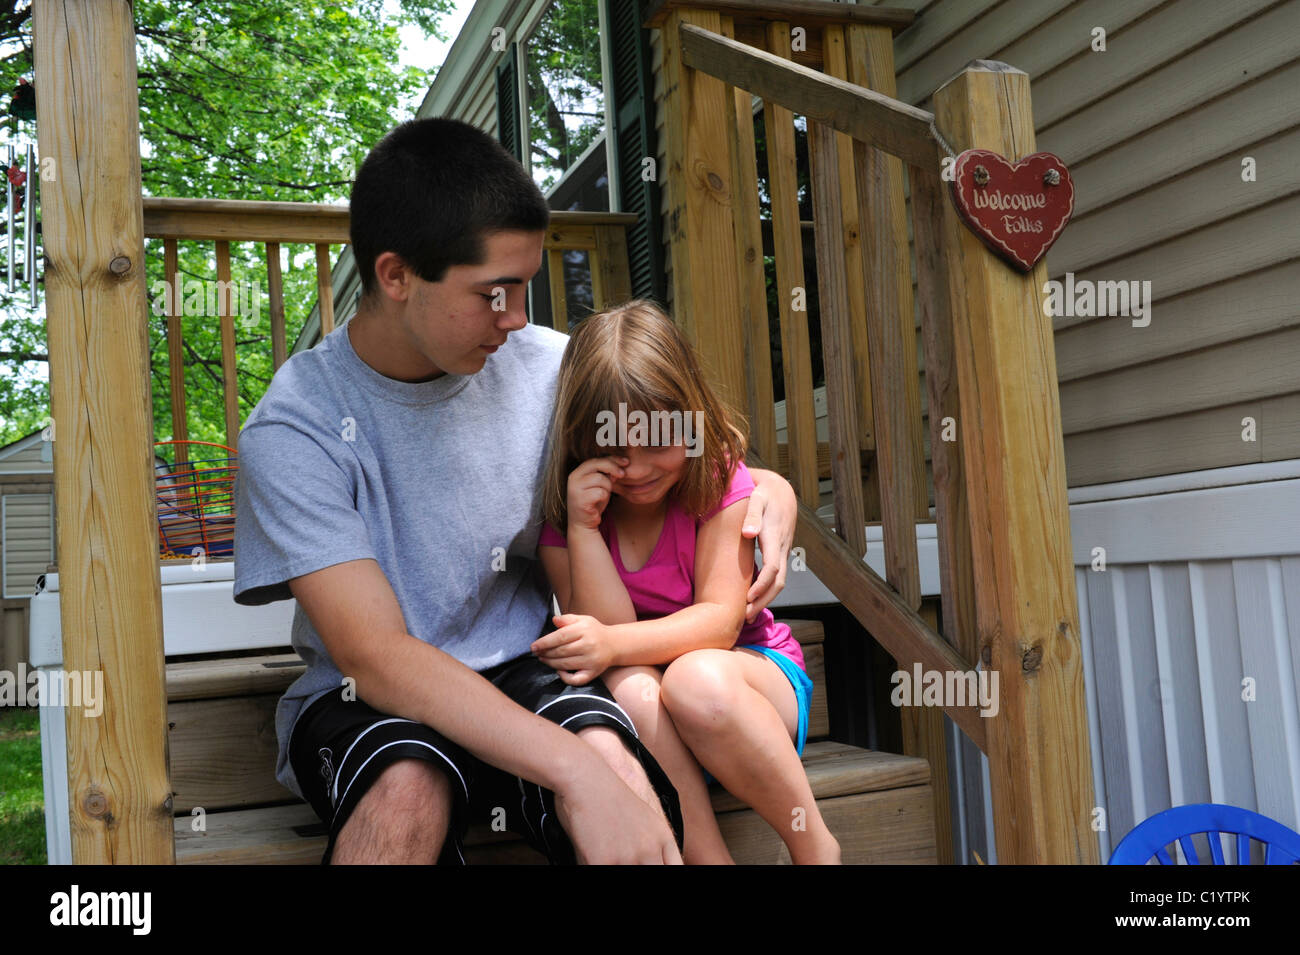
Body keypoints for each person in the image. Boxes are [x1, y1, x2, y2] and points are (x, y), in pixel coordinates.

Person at [231, 117, 799, 865]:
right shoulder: (296, 426)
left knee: (621, 760)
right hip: (364, 700)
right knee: (408, 788)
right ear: (396, 275)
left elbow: (694, 451)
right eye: (494, 293)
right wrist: (574, 772)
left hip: (528, 666)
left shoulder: (553, 369)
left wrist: (772, 490)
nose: (519, 319)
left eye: (525, 287)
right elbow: (375, 657)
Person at [533, 301, 841, 865]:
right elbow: (608, 636)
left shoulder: (717, 481)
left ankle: (815, 846)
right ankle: (706, 857)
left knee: (694, 678)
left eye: (657, 443)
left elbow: (721, 623)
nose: (640, 467)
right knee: (628, 684)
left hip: (746, 687)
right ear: (579, 441)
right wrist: (582, 528)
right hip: (650, 717)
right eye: (613, 451)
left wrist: (611, 645)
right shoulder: (569, 515)